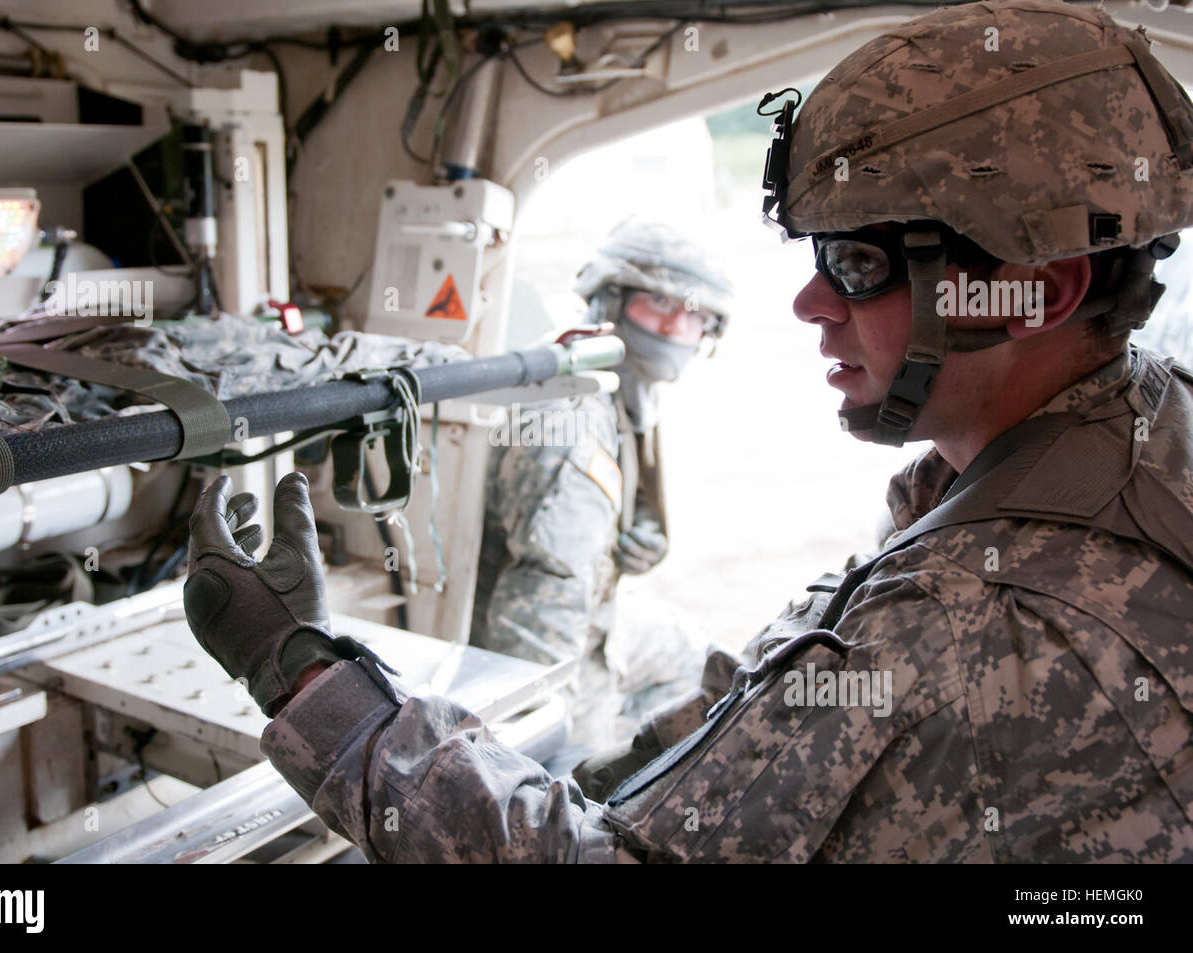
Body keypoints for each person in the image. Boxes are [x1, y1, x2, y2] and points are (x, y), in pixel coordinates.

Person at [182, 0, 1193, 862]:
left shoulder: (976, 619)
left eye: (859, 266)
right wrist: (643, 762)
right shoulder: (1136, 435)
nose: (808, 303)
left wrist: (302, 675)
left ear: (1033, 290)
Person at [470, 218, 733, 749]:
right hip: (539, 653)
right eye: (660, 304)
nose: (677, 328)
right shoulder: (571, 424)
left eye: (695, 314)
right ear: (610, 299)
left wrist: (629, 543)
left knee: (697, 660)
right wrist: (540, 750)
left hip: (591, 617)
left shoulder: (614, 386)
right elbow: (539, 622)